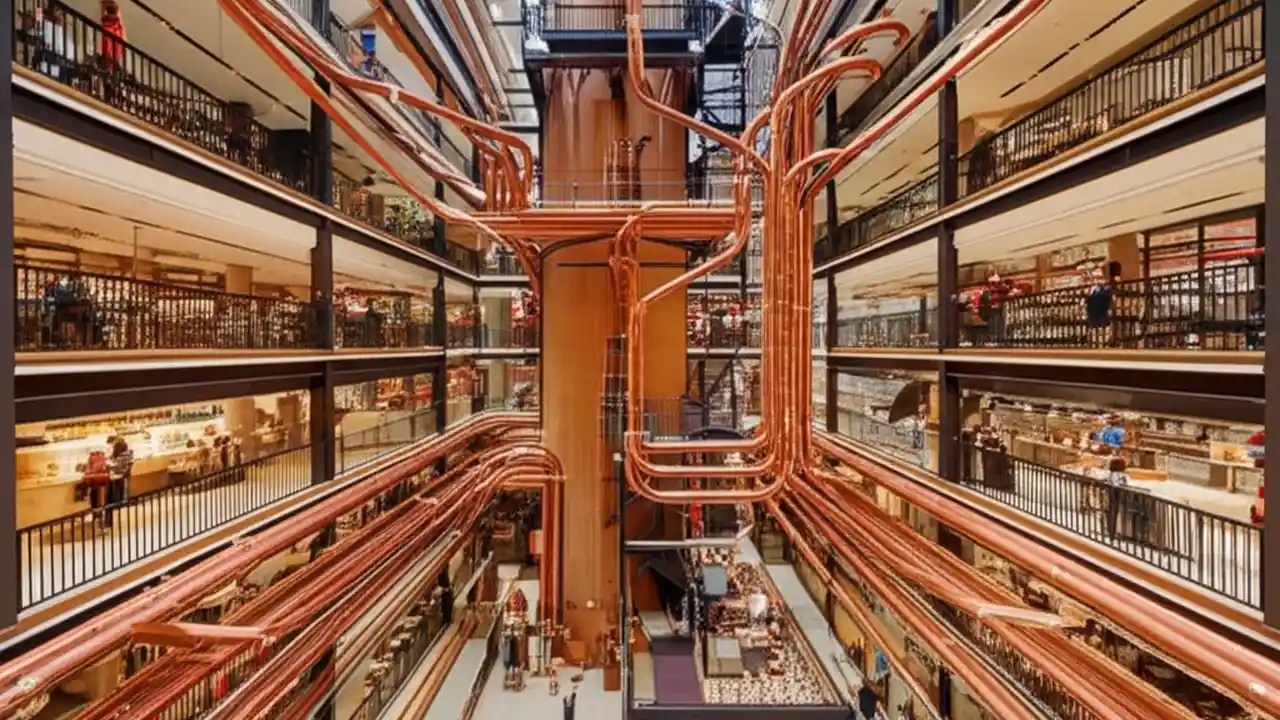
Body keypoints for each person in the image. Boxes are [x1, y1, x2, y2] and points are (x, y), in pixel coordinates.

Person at [105, 436, 133, 530]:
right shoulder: (128, 455)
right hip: (122, 479)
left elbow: (116, 468)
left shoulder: (121, 457)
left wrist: (109, 464)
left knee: (110, 499)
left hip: (117, 479)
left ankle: (108, 520)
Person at [100, 1, 127, 72]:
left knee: (110, 58)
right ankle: (110, 68)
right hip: (113, 43)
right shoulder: (116, 24)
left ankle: (109, 68)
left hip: (113, 43)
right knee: (111, 58)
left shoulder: (109, 22)